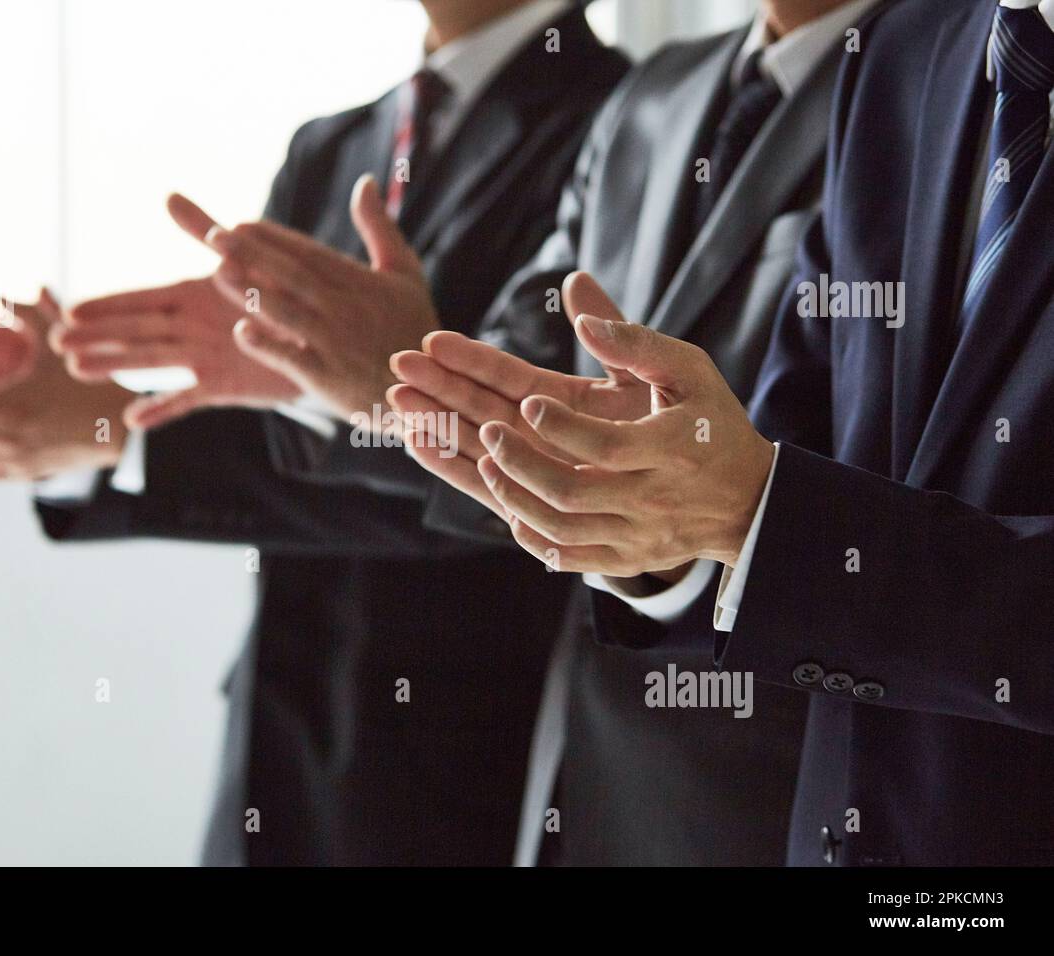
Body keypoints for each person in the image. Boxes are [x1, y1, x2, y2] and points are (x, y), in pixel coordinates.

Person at [0, 0, 626, 865]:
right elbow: (282, 424)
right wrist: (99, 401)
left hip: (466, 765)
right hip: (273, 738)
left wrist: (113, 433)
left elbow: (498, 487)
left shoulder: (625, 124)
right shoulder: (330, 145)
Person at [397, 0, 1054, 866]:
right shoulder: (909, 51)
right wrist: (664, 520)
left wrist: (756, 511)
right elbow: (791, 459)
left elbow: (778, 506)